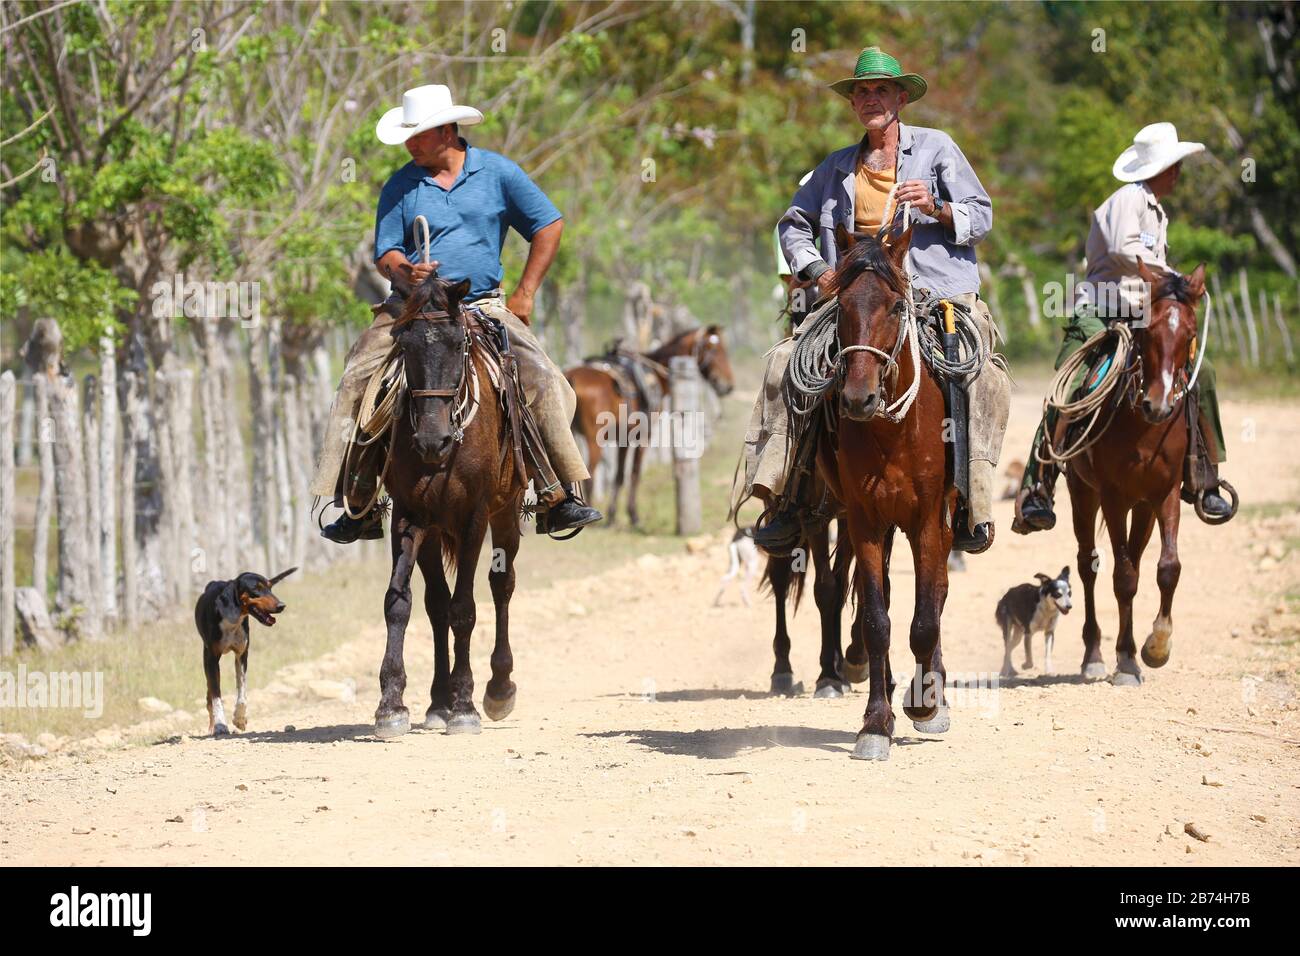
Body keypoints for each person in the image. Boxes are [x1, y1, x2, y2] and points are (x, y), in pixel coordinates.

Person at [744, 46, 1010, 554]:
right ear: (852, 104)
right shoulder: (835, 168)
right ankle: (786, 496)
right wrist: (821, 273)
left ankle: (973, 502)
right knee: (785, 364)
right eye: (861, 91)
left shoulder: (937, 149)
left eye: (880, 90)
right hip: (856, 301)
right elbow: (792, 226)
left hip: (936, 296)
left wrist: (936, 207)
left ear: (901, 97)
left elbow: (982, 217)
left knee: (984, 377)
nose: (870, 99)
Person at [312, 84, 601, 542]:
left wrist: (525, 293)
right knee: (356, 379)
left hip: (481, 303)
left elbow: (549, 223)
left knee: (545, 380)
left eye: (418, 134)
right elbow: (384, 253)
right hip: (411, 308)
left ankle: (558, 494)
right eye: (408, 135)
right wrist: (406, 271)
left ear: (448, 130)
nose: (410, 144)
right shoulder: (401, 185)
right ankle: (357, 500)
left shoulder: (499, 173)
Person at [1013, 122, 1234, 533]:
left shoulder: (1157, 211)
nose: (1178, 174)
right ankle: (1037, 487)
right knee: (1068, 386)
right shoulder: (1126, 200)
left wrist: (1172, 287)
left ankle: (1206, 478)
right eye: (1175, 166)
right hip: (1099, 313)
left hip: (1141, 316)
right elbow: (1121, 249)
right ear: (1161, 168)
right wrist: (1172, 276)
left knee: (1202, 373)